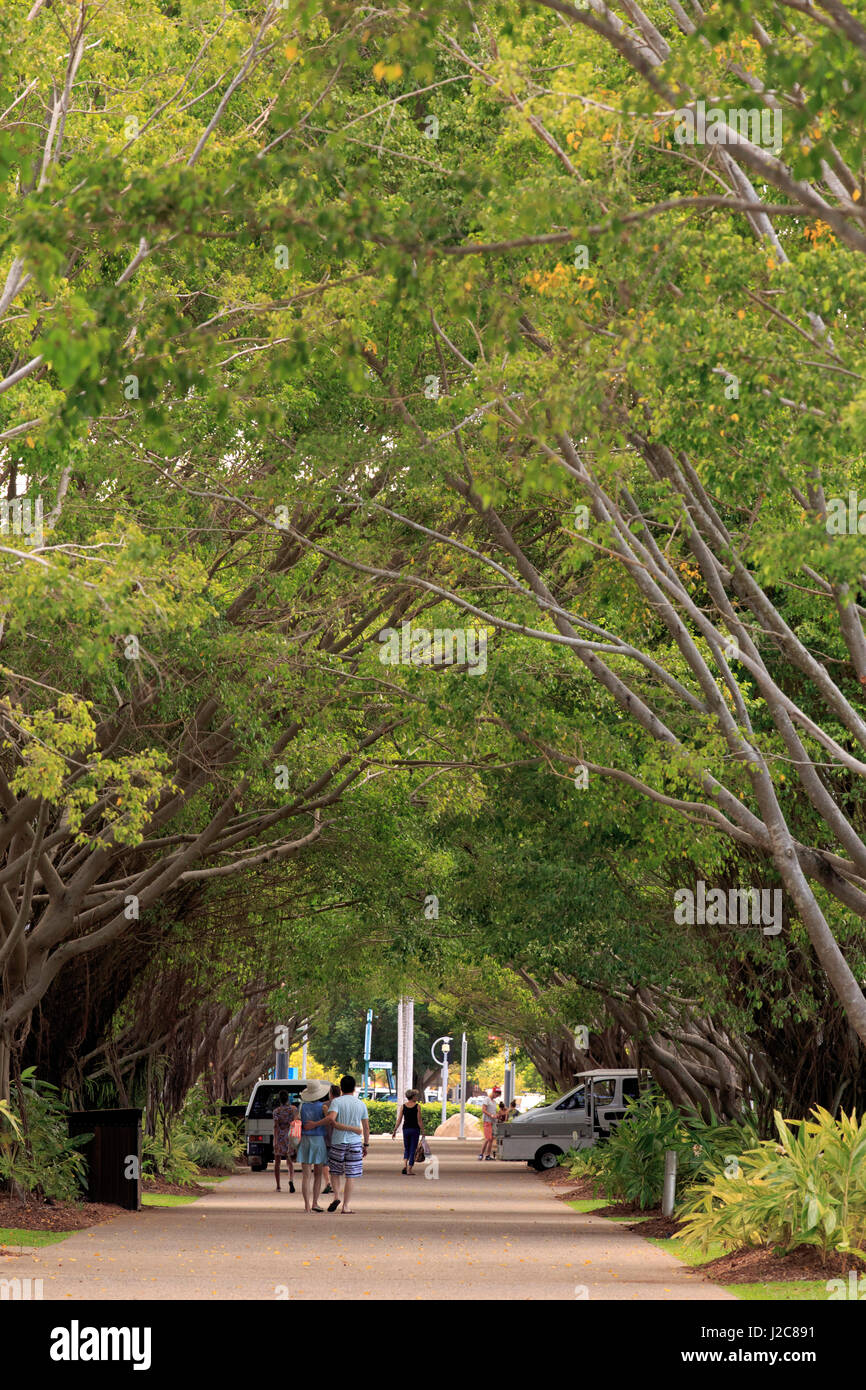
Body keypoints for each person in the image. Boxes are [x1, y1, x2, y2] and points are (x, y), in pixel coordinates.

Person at [326, 1074, 369, 1213]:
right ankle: (346, 1206)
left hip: (338, 1141)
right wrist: (366, 1144)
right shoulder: (361, 1104)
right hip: (355, 1143)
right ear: (354, 1088)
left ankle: (336, 1196)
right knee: (351, 1175)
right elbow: (366, 1127)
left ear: (341, 1087)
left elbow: (331, 1119)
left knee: (335, 1171)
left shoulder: (337, 1102)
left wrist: (339, 1125)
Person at [296, 1080, 331, 1212]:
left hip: (304, 1140)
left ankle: (306, 1205)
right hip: (318, 1141)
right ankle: (315, 1203)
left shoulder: (301, 1107)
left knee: (306, 1176)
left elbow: (296, 1121)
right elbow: (329, 1121)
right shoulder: (323, 1107)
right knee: (317, 1175)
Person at [391, 1088, 424, 1174]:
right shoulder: (417, 1106)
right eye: (415, 1096)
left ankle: (405, 1166)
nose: (416, 1097)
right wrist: (423, 1131)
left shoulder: (403, 1106)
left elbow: (399, 1120)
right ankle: (410, 1169)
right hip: (415, 1129)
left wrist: (394, 1130)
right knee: (413, 1149)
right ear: (412, 1096)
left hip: (406, 1129)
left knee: (407, 1148)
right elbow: (419, 1120)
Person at [271, 1090, 298, 1192]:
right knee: (289, 1161)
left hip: (280, 1137)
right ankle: (291, 1179)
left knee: (277, 1162)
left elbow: (276, 1126)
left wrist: (275, 1140)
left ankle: (278, 1186)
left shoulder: (276, 1111)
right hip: (290, 1136)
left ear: (279, 1100)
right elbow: (296, 1122)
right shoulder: (294, 1109)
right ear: (288, 1098)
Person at [321, 1083, 341, 1195]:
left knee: (325, 1162)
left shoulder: (324, 1105)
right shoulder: (342, 1105)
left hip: (326, 1136)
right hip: (338, 1137)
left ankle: (327, 1182)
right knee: (335, 1163)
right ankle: (334, 1185)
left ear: (331, 1094)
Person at [478, 1088, 498, 1161]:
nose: (497, 1095)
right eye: (496, 1093)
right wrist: (491, 1115)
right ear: (493, 1092)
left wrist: (496, 1116)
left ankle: (488, 1155)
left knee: (491, 1139)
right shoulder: (487, 1099)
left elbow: (494, 1111)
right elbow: (483, 1110)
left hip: (493, 1122)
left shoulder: (494, 1102)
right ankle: (481, 1154)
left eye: (498, 1094)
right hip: (487, 1121)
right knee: (487, 1138)